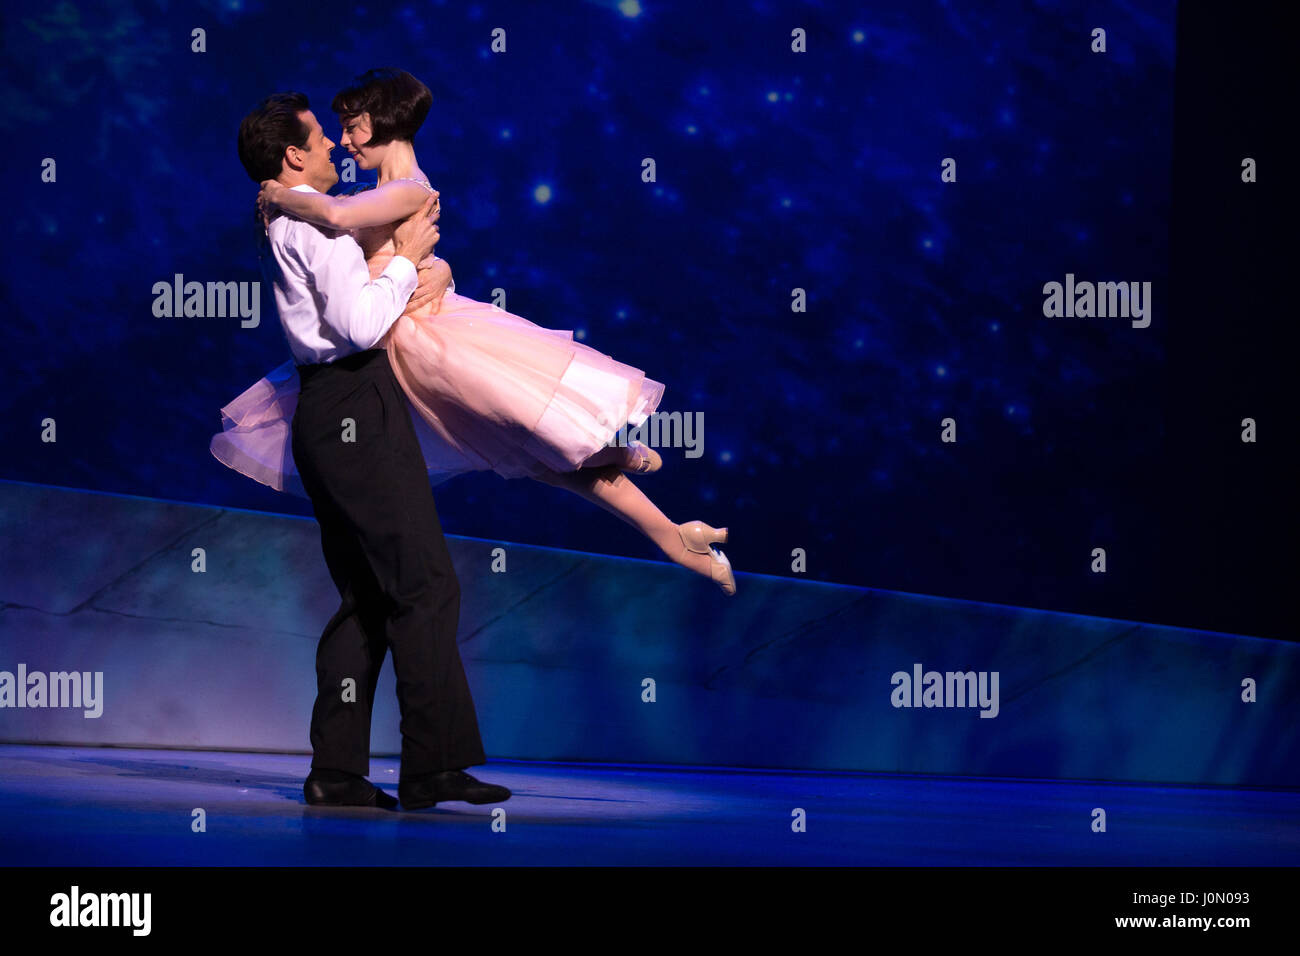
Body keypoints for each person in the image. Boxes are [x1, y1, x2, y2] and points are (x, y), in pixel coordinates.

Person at [219, 68, 736, 595]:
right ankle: (670, 532)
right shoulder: (380, 188)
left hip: (427, 341)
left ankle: (623, 469)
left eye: (351, 127)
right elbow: (380, 246)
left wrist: (279, 196)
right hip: (404, 337)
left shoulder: (405, 188)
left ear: (379, 122)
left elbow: (333, 213)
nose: (344, 140)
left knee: (533, 443)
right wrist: (432, 266)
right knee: (534, 456)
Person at [230, 90, 511, 811]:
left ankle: (338, 772)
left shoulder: (295, 220)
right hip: (353, 403)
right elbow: (357, 324)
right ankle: (431, 766)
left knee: (367, 597)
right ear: (294, 154)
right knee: (423, 584)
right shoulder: (312, 228)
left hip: (329, 412)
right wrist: (407, 264)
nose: (332, 148)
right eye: (320, 137)